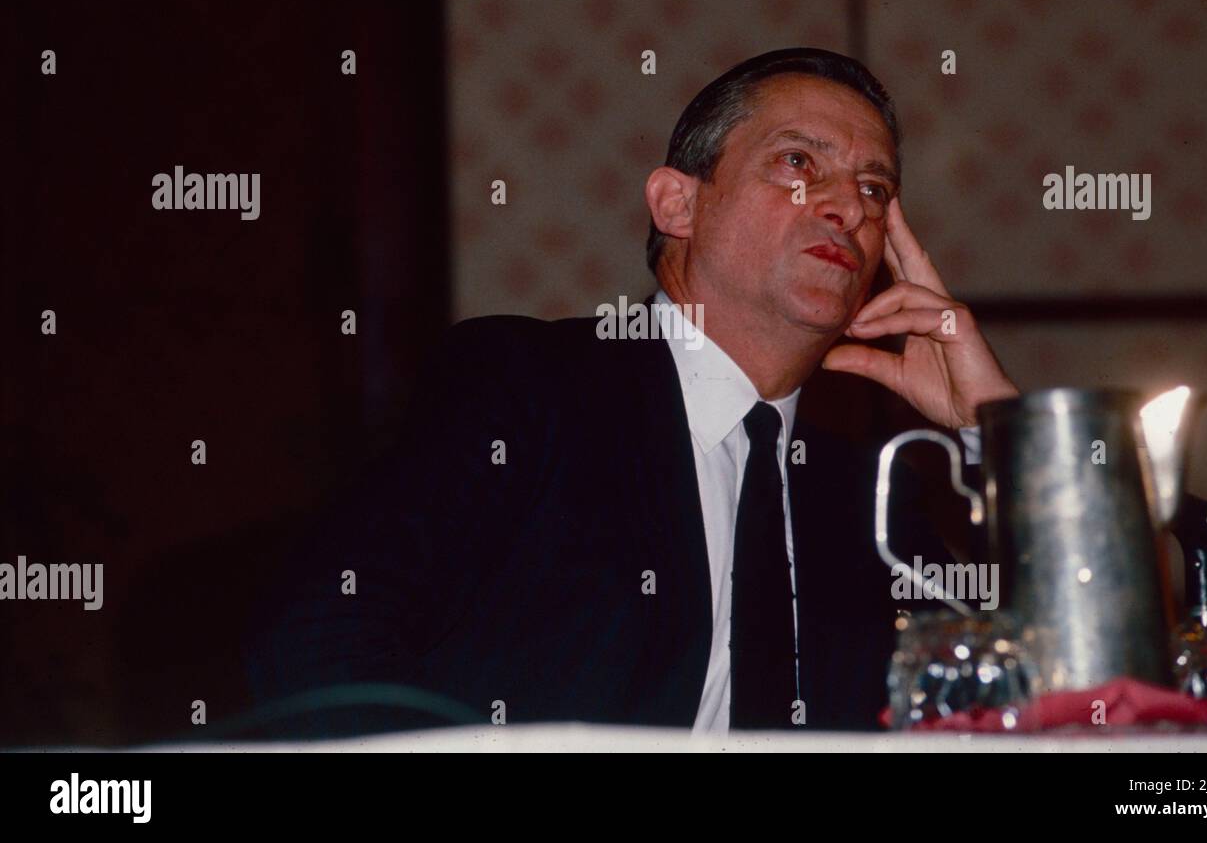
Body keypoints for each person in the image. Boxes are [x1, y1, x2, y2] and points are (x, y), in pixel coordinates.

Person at [244, 47, 1018, 736]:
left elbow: (1046, 702)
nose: (848, 205)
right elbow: (321, 632)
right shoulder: (528, 389)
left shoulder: (870, 499)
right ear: (676, 204)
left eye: (874, 188)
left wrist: (1002, 433)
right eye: (797, 164)